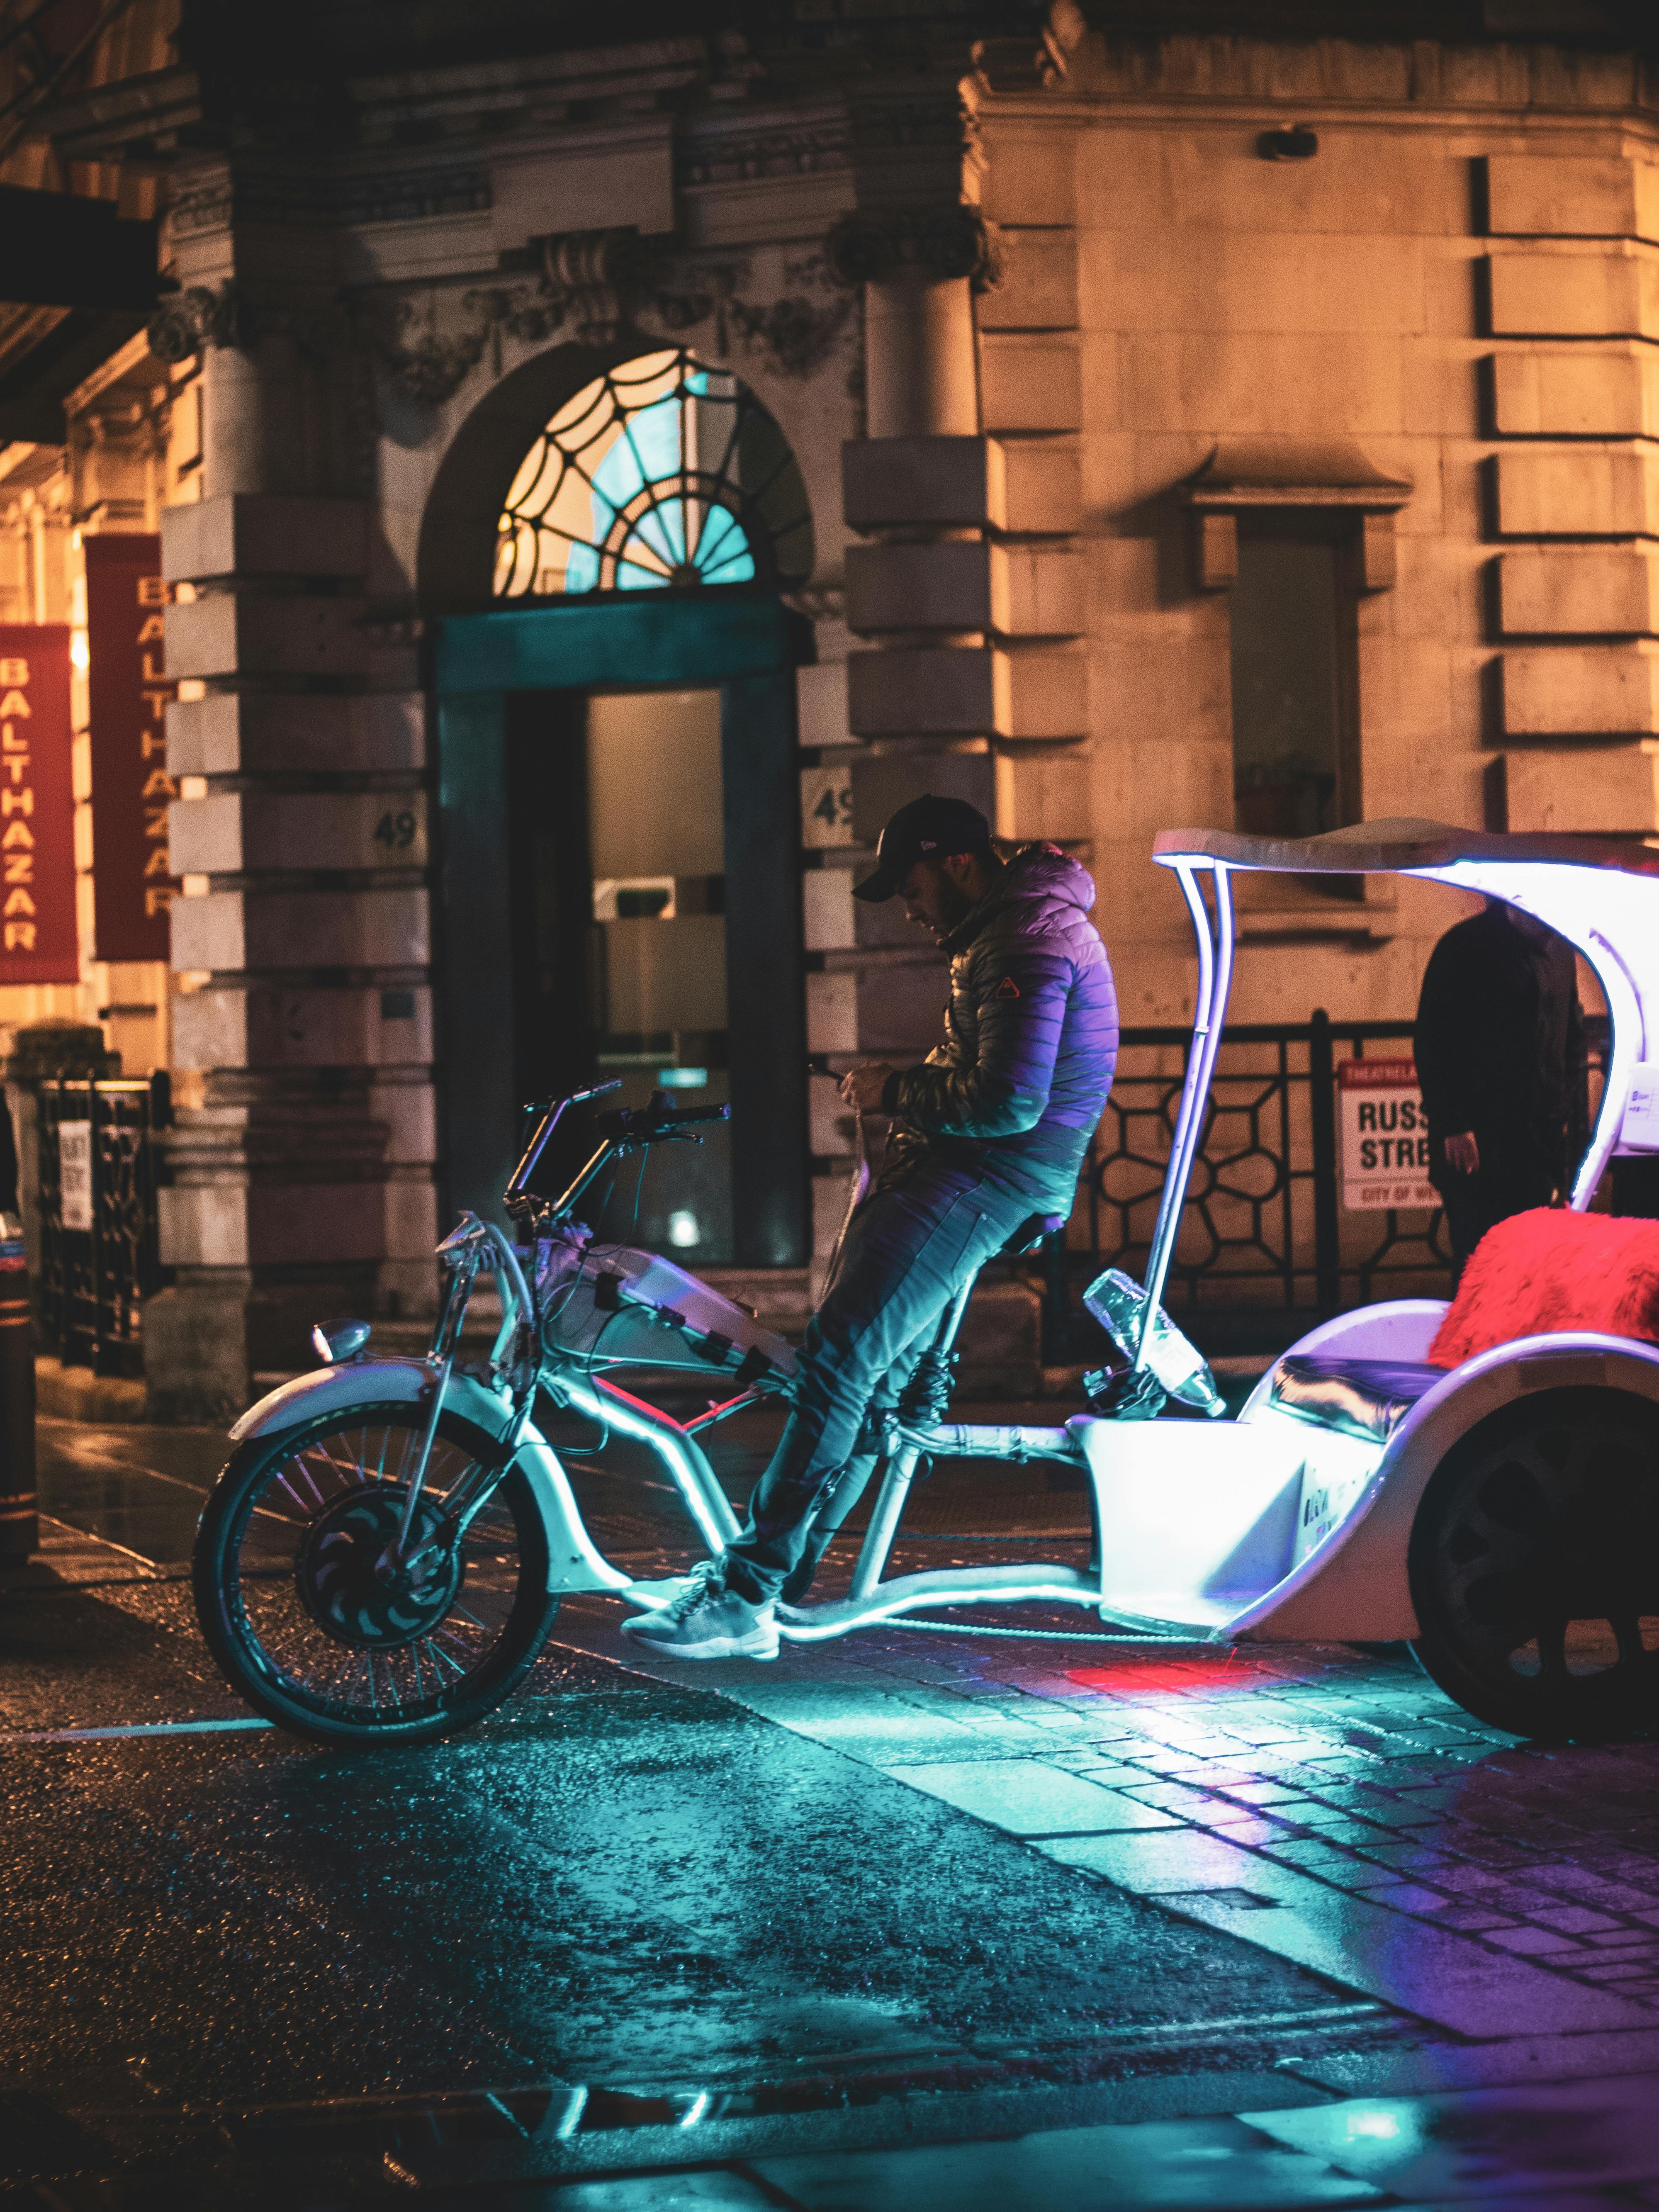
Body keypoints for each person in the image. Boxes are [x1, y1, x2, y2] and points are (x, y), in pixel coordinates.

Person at [622, 793, 1119, 1660]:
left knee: (841, 1359)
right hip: (988, 1175)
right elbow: (986, 1068)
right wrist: (905, 1082)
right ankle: (776, 1576)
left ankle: (745, 1593)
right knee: (872, 1379)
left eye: (913, 885)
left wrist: (897, 1090)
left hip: (985, 1178)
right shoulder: (1007, 928)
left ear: (958, 862)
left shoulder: (1024, 937)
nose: (909, 907)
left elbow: (1007, 1098)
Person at [1414, 897, 1586, 1282]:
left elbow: (1571, 1031)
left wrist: (1562, 1107)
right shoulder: (1464, 947)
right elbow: (1434, 1040)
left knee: (1534, 1261)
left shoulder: (1559, 948)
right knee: (1479, 1259)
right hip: (1480, 1140)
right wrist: (1453, 1123)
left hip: (1537, 1142)